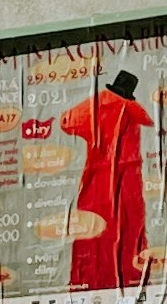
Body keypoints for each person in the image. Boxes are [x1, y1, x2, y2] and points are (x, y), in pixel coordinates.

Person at [59, 66, 154, 291]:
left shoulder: (99, 105)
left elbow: (66, 122)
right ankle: (130, 283)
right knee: (128, 234)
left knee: (94, 236)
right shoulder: (132, 111)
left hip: (97, 183)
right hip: (128, 185)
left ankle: (90, 284)